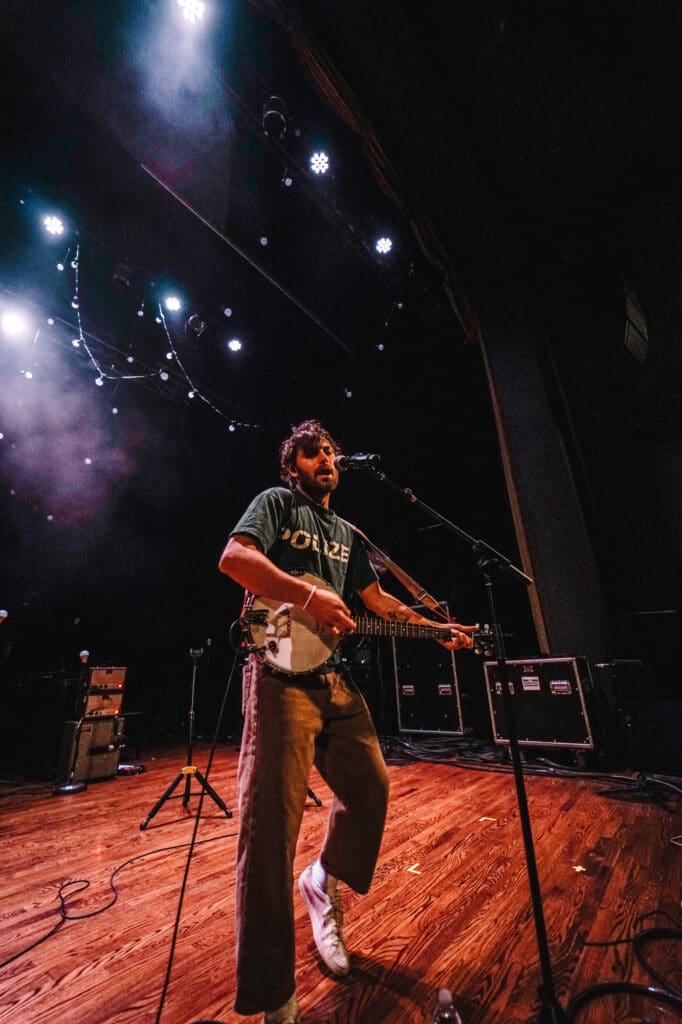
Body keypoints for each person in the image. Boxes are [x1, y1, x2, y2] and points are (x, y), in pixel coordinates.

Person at [218, 419, 475, 1024]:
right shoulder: (276, 503)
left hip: (333, 677)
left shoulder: (348, 534)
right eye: (312, 453)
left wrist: (436, 629)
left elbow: (377, 601)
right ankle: (274, 996)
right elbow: (234, 558)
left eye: (330, 452)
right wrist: (308, 598)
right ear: (293, 466)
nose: (325, 459)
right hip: (279, 674)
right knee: (268, 835)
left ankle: (323, 878)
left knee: (371, 787)